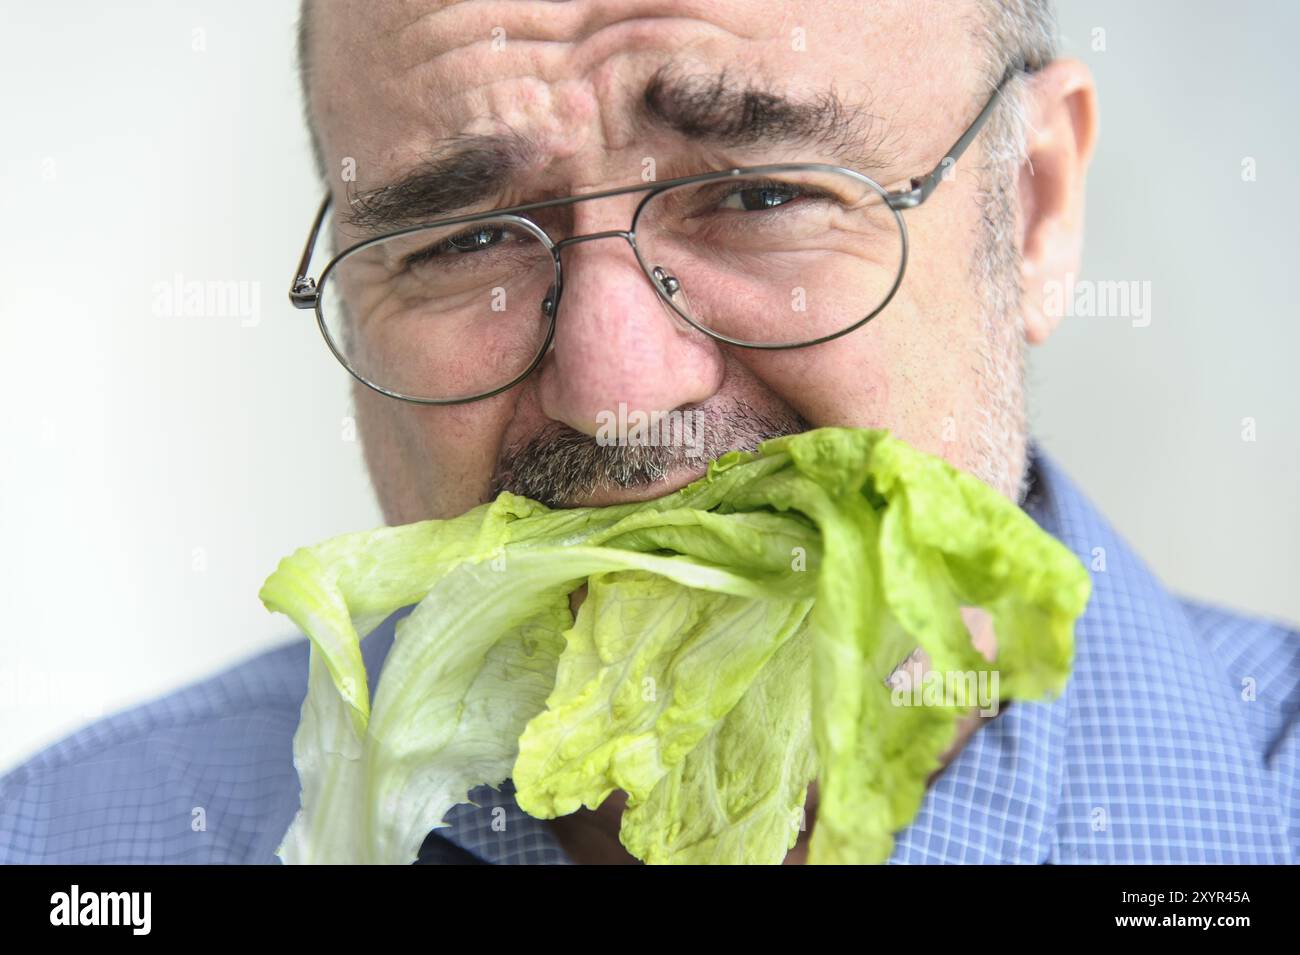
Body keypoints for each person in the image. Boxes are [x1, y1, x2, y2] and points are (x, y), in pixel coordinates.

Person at [2, 0, 1295, 865]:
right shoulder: (72, 845)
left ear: (1037, 212)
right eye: (460, 240)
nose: (616, 382)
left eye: (762, 192)